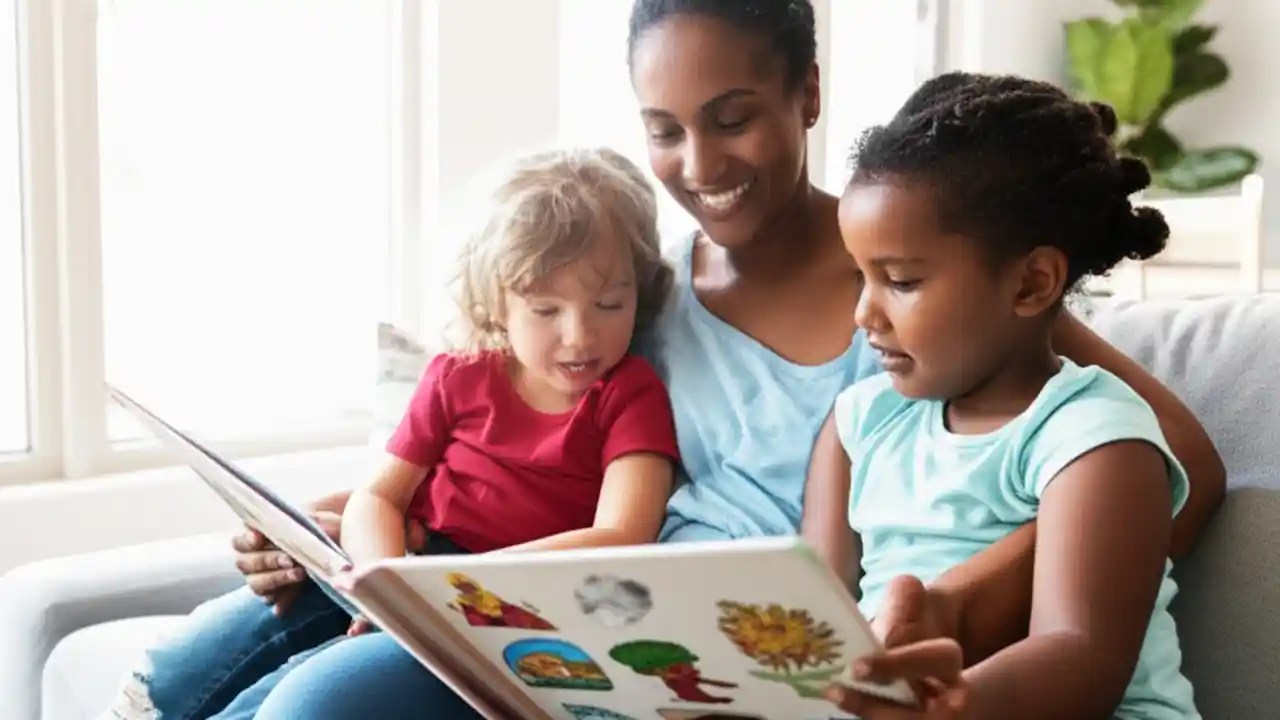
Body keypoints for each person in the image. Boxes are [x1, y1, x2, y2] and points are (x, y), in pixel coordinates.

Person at [107, 1, 1225, 718]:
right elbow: (537, 436)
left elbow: (1177, 466)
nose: (699, 162)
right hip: (598, 620)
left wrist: (958, 601)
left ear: (808, 96)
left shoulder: (933, 285)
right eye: (663, 127)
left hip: (756, 648)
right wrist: (340, 524)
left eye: (732, 116)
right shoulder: (642, 289)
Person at [102, 146, 680, 720]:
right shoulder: (461, 374)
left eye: (609, 304)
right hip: (403, 568)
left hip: (493, 606)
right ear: (497, 303)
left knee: (283, 696)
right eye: (546, 311)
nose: (580, 337)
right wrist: (388, 588)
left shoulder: (629, 392)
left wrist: (446, 589)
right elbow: (380, 496)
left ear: (640, 291)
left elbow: (621, 534)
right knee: (188, 666)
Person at [808, 71, 1199, 719]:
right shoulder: (859, 423)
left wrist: (952, 704)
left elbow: (1080, 656)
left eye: (900, 281)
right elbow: (813, 614)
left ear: (1031, 284)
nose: (863, 314)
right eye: (861, 277)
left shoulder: (1098, 434)